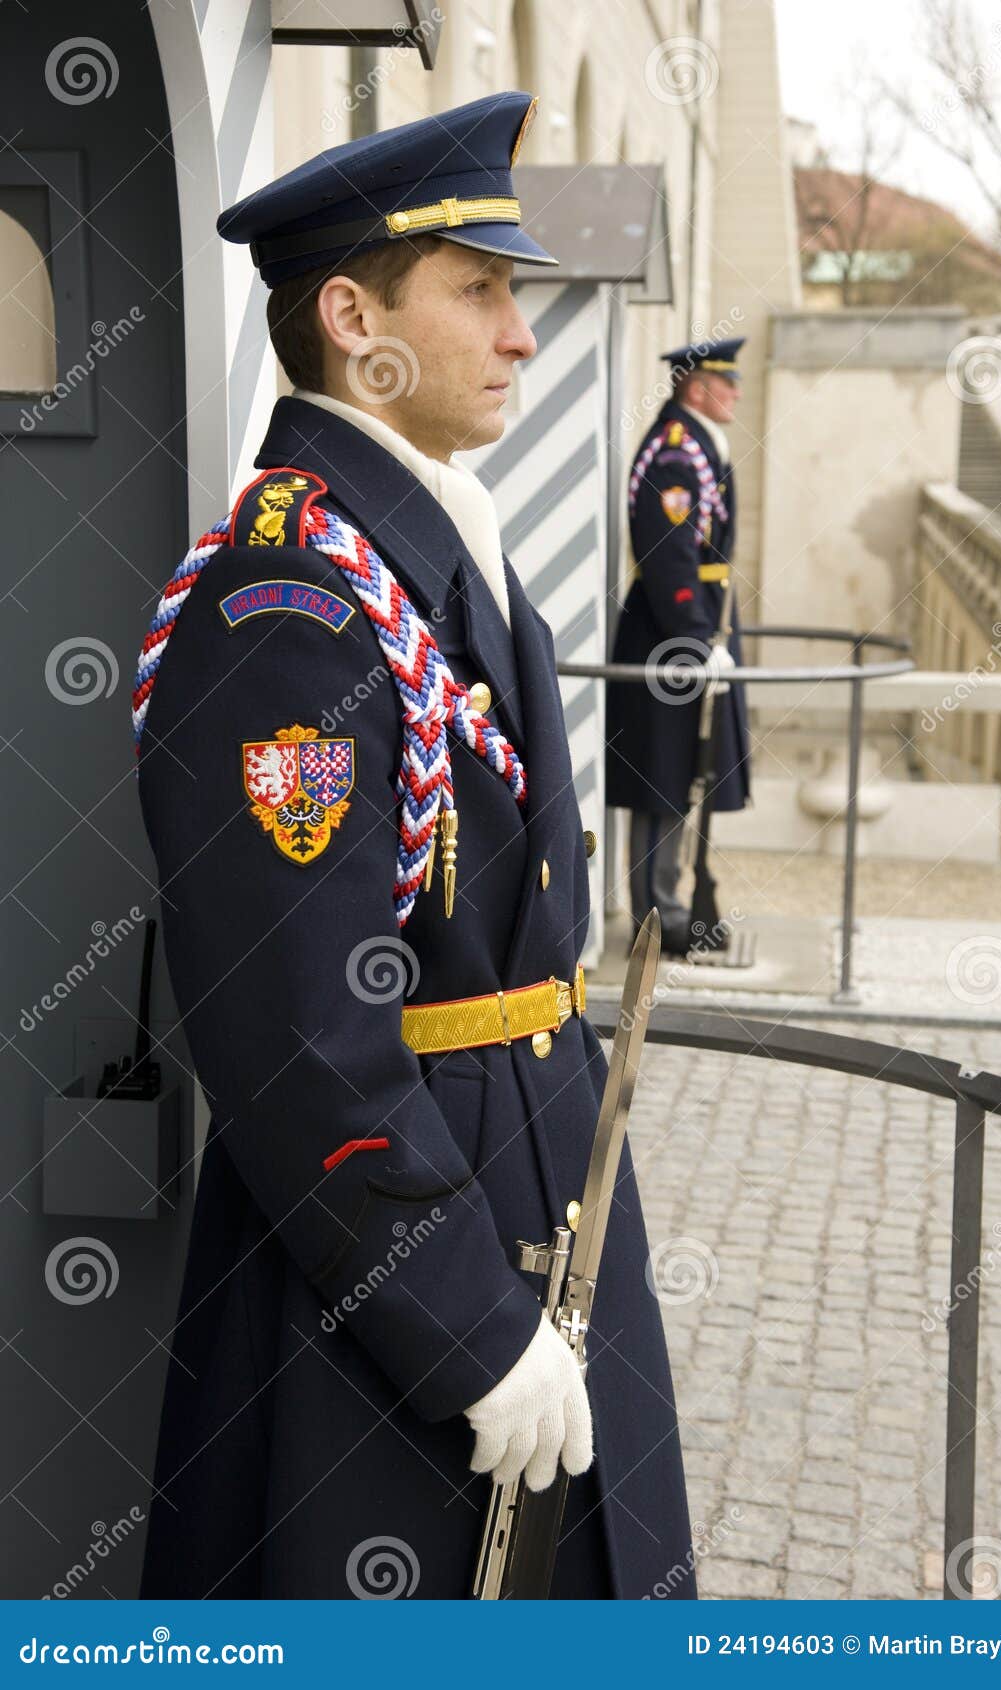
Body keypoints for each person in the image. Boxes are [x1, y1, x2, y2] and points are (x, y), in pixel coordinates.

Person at [132, 91, 695, 1601]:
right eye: (481, 289)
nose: (520, 334)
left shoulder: (431, 550)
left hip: (532, 1188)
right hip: (385, 1278)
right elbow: (293, 1031)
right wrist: (465, 1328)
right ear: (352, 319)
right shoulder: (289, 606)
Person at [605, 338, 752, 959]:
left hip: (694, 627)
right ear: (698, 388)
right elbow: (670, 557)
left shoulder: (695, 443)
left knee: (688, 771)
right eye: (727, 382)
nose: (737, 392)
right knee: (660, 776)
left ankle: (673, 905)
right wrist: (695, 638)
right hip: (672, 634)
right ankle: (657, 916)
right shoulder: (674, 454)